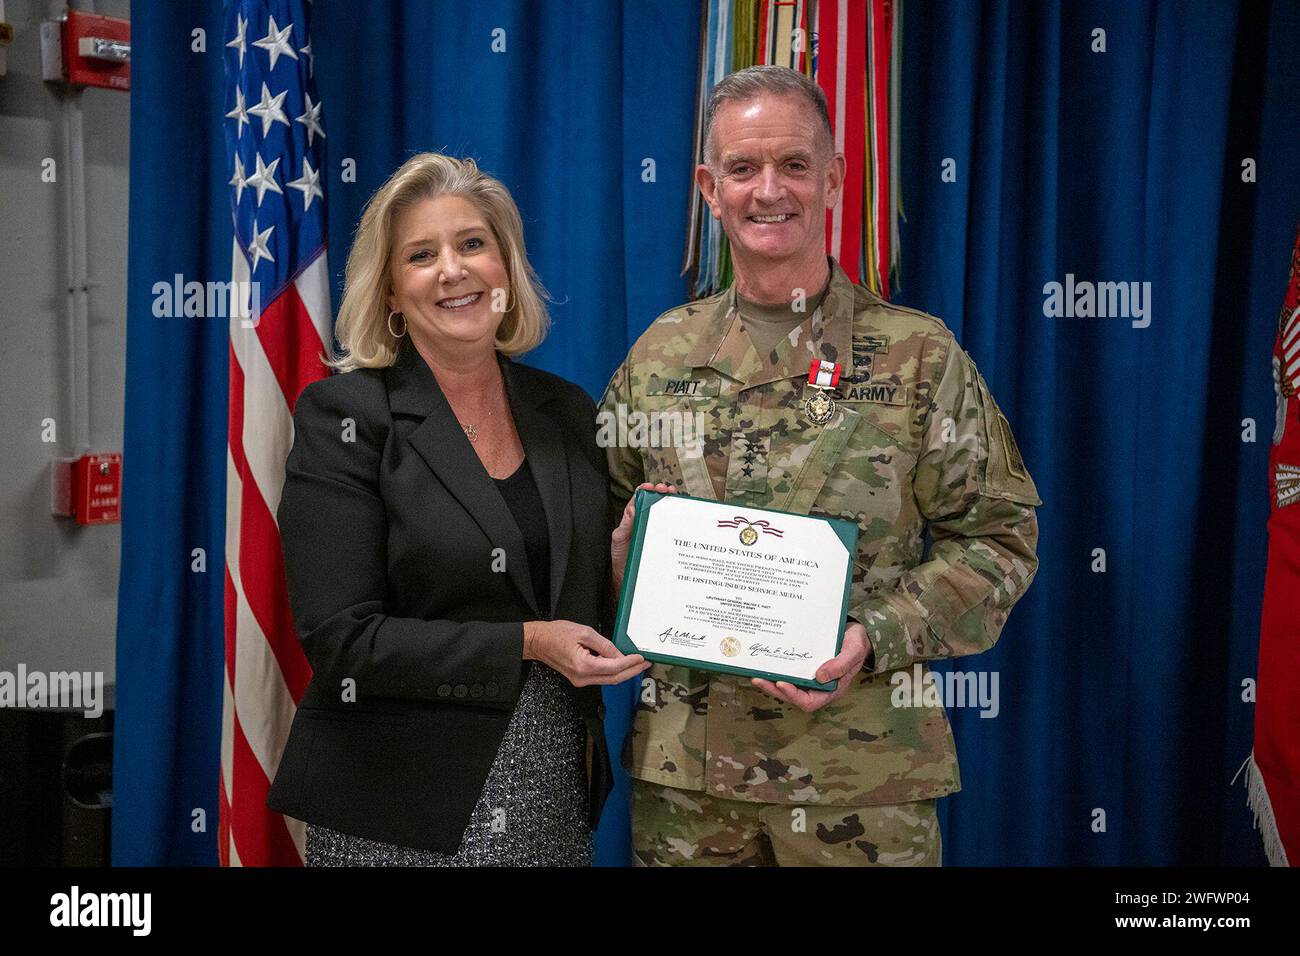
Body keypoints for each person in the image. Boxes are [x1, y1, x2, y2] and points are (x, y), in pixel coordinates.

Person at [603, 66, 1041, 867]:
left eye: (795, 165)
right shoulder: (659, 356)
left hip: (863, 784)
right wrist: (621, 554)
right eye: (742, 168)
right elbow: (597, 529)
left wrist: (873, 635)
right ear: (709, 186)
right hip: (689, 793)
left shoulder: (918, 356)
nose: (769, 190)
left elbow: (999, 542)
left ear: (834, 177)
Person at [267, 152, 649, 866]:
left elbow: (564, 602)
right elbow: (344, 640)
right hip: (395, 804)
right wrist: (528, 643)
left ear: (506, 267)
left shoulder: (563, 411)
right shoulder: (346, 416)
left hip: (552, 796)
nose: (454, 269)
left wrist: (620, 571)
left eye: (473, 243)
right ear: (388, 291)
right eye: (421, 255)